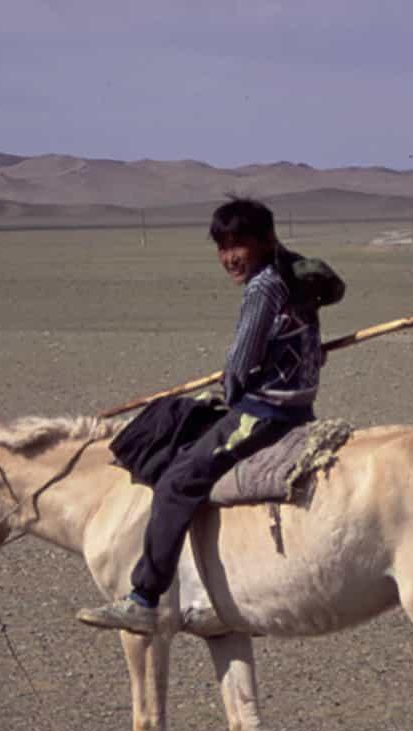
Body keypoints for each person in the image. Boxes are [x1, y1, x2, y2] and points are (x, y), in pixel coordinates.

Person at [76, 197, 343, 634]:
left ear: (264, 242)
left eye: (238, 245)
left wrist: (231, 384)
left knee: (178, 482)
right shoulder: (297, 277)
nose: (229, 258)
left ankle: (144, 597)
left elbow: (240, 360)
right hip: (299, 402)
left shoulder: (264, 287)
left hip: (265, 412)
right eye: (222, 248)